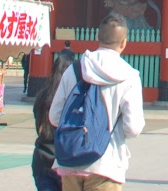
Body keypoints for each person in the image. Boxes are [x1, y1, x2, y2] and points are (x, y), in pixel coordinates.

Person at [50, 18, 146, 191]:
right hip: (106, 163)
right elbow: (133, 128)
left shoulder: (75, 69)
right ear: (124, 42)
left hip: (70, 161)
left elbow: (55, 116)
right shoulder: (129, 76)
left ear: (97, 37)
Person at [31, 85, 60, 191]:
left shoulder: (42, 95)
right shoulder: (74, 95)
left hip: (43, 156)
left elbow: (38, 126)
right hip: (65, 160)